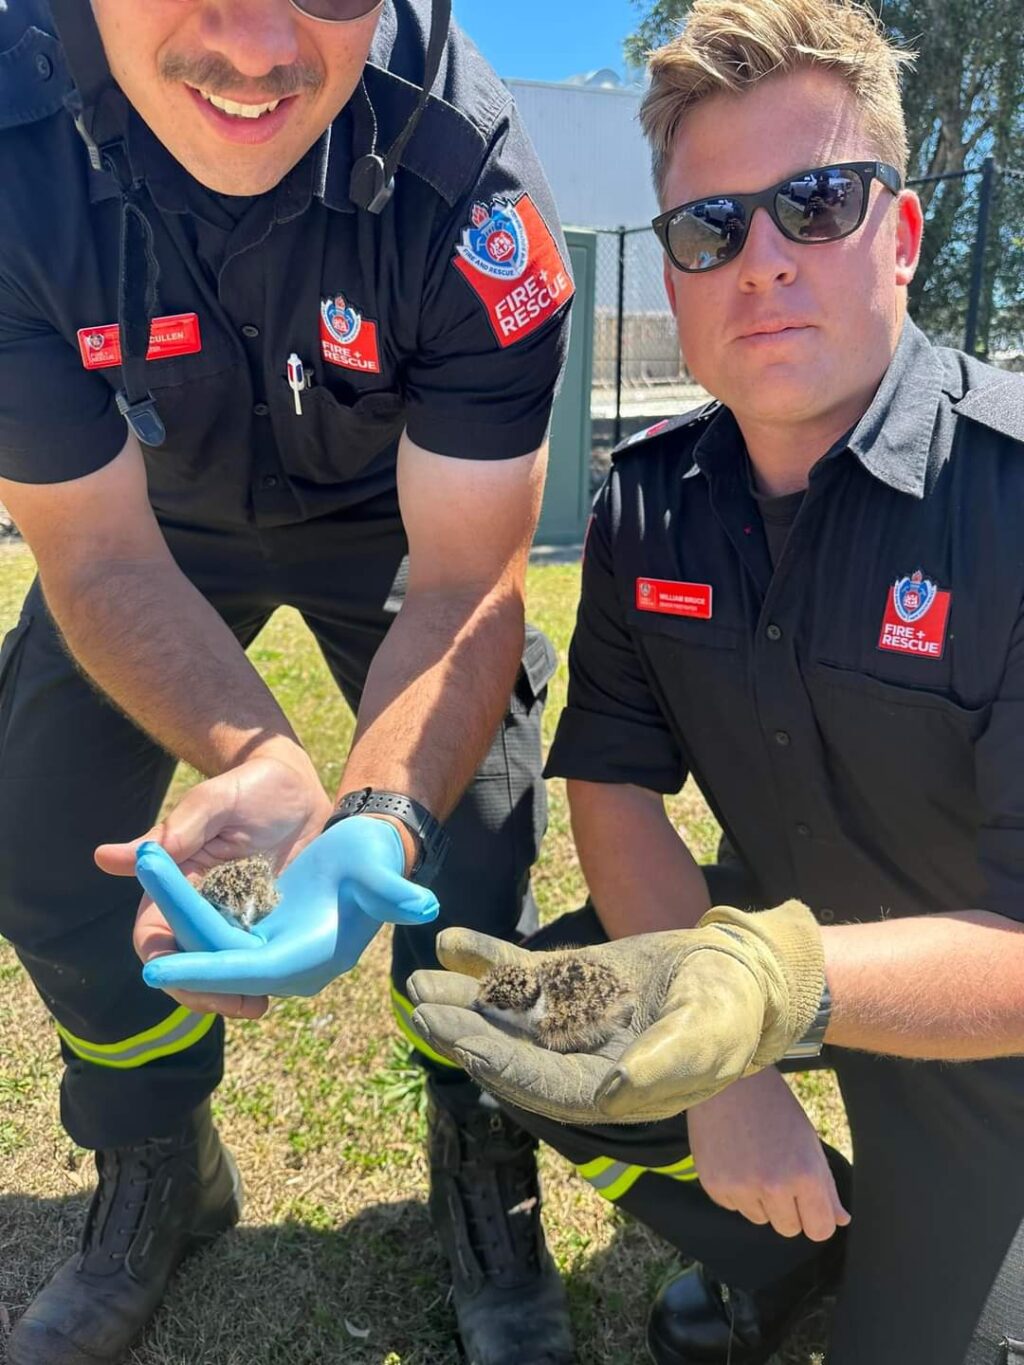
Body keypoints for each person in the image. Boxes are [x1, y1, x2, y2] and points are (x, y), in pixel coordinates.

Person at [407, 2, 1024, 1363]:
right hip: (775, 940)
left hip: (989, 1025)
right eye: (711, 228)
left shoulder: (1012, 501)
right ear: (675, 277)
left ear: (903, 238)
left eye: (817, 202)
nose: (763, 263)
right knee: (530, 1028)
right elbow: (616, 779)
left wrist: (770, 983)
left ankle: (918, 1273)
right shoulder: (646, 509)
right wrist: (732, 1058)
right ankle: (803, 1245)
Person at [0, 2, 576, 1362]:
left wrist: (376, 808)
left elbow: (468, 579)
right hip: (156, 517)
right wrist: (259, 755)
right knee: (36, 830)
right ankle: (157, 1153)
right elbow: (90, 548)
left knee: (475, 850)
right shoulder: (11, 149)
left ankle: (478, 1140)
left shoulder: (471, 178)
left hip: (395, 520)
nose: (258, 49)